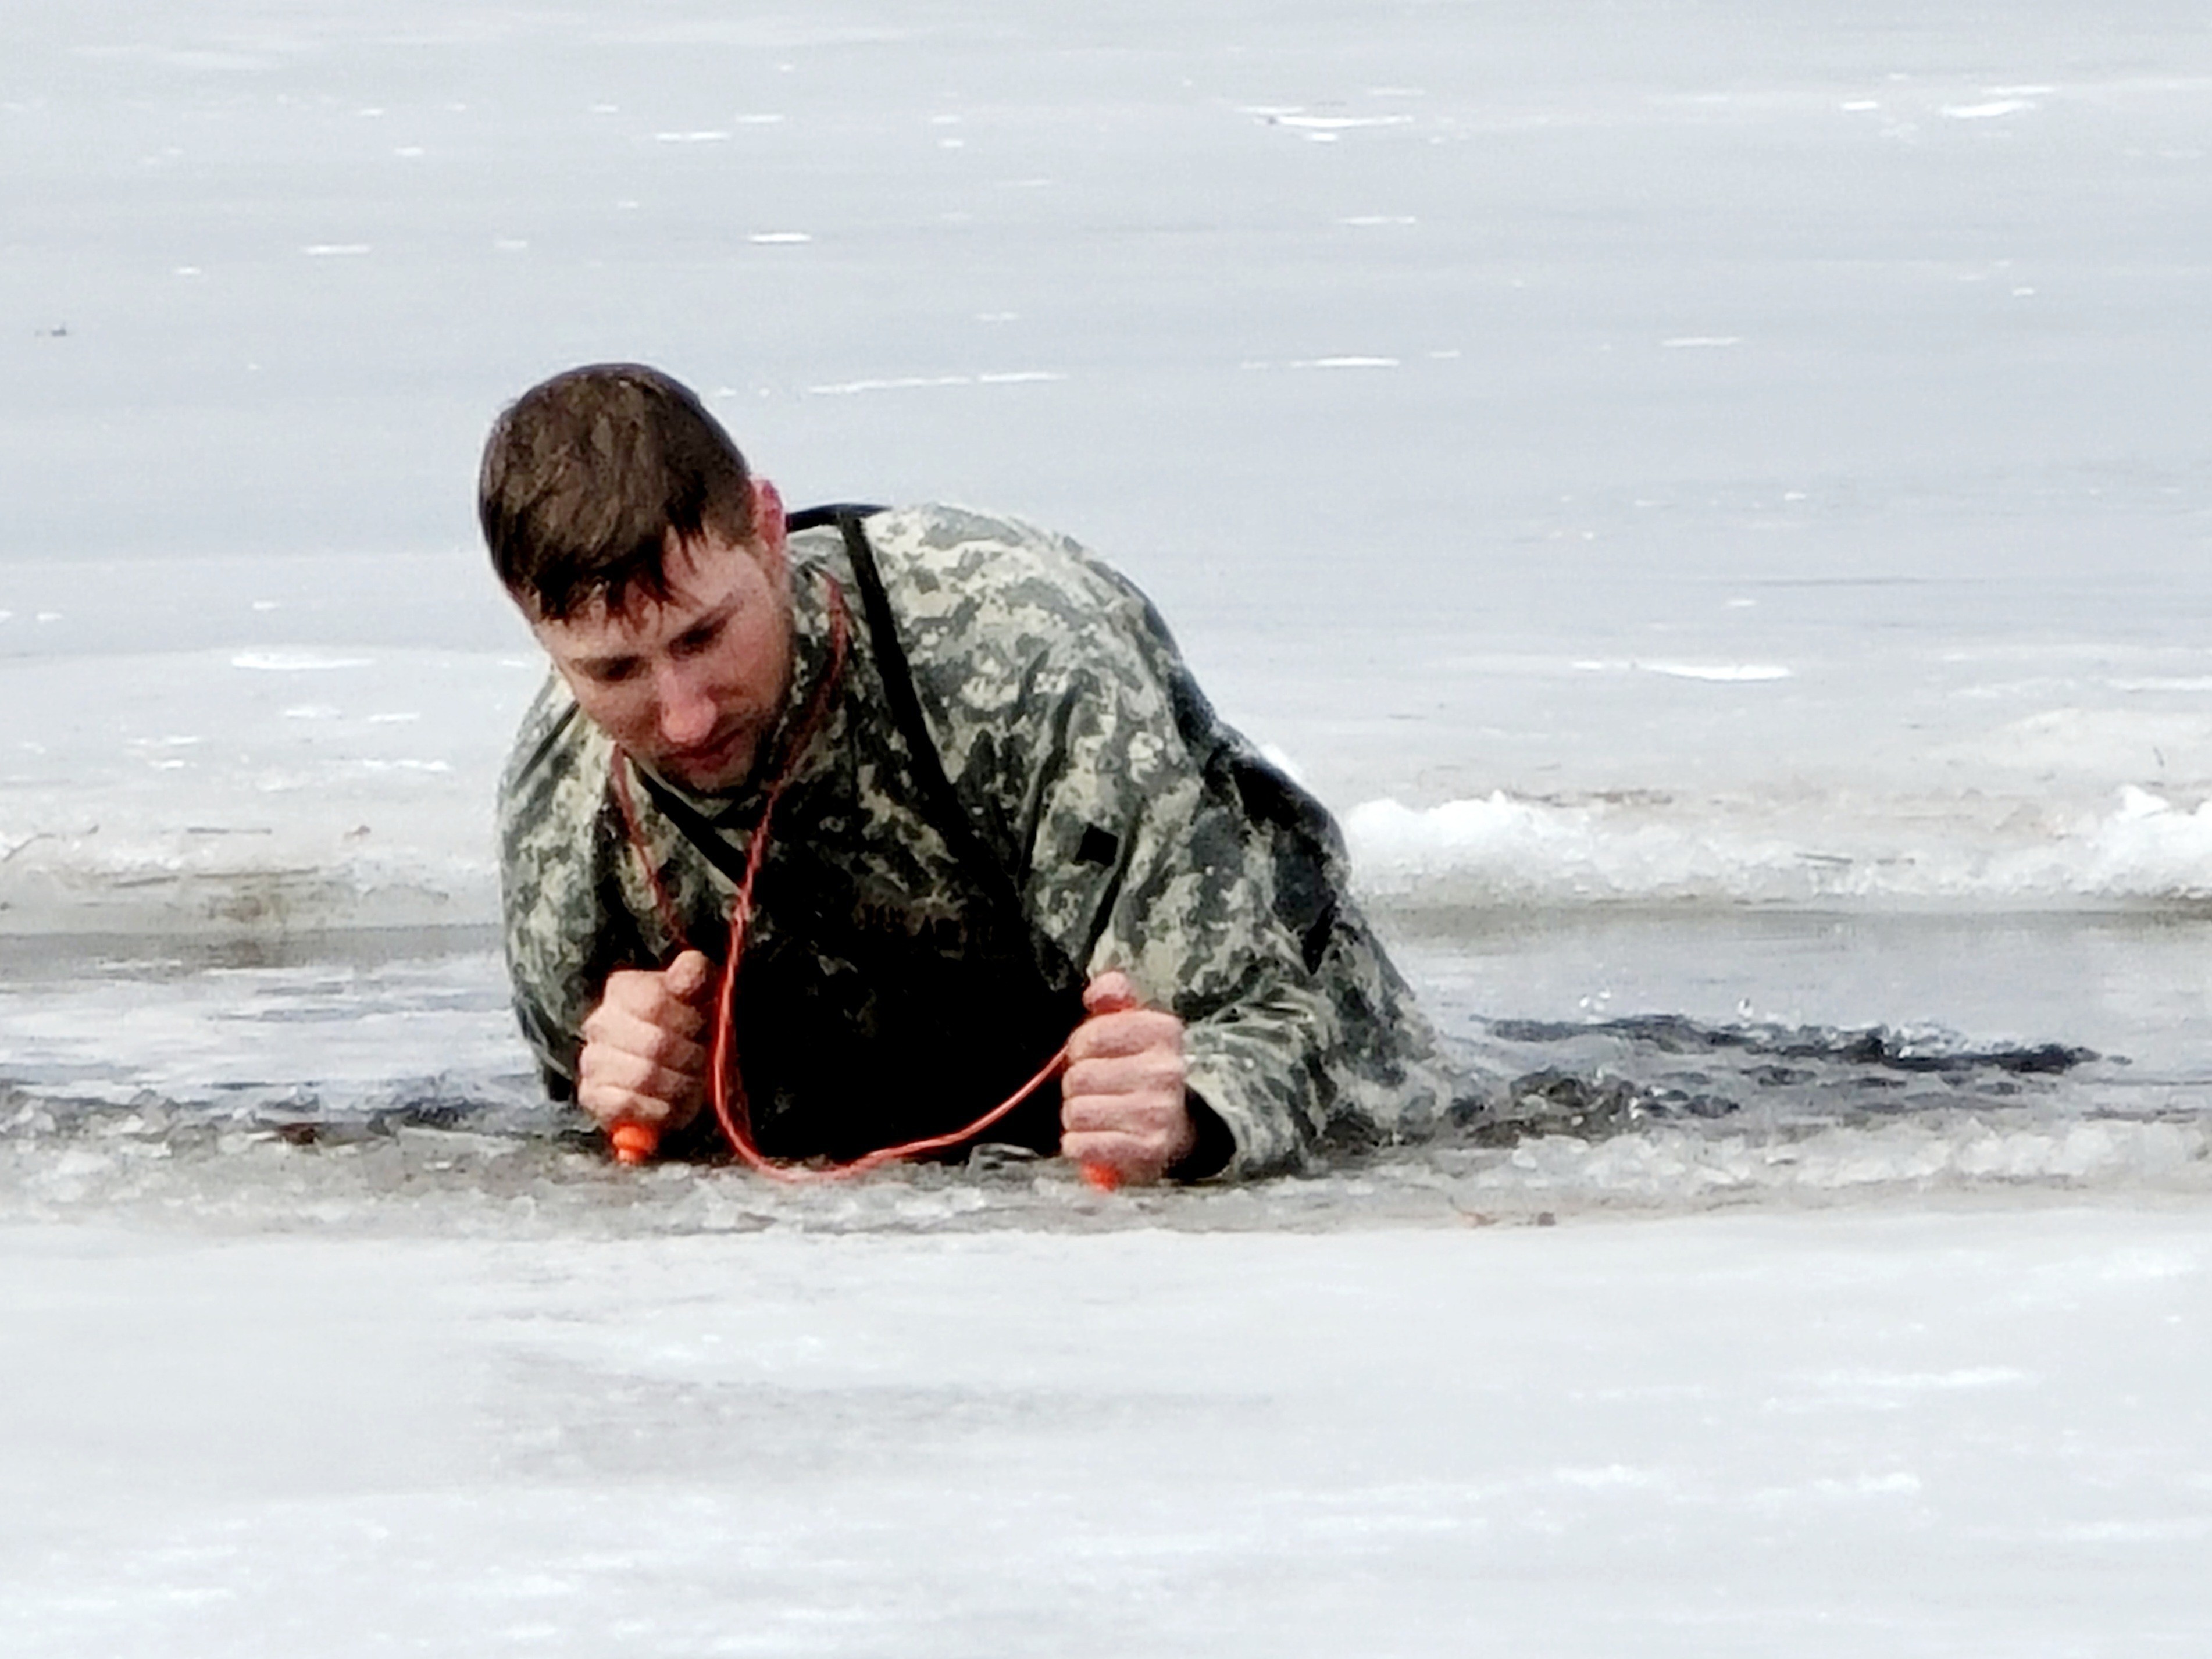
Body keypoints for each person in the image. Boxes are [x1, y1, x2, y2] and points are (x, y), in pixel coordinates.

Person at [482, 363, 1451, 1183]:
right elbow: (596, 1138)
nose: (684, 714)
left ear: (768, 531)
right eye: (614, 672)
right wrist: (651, 1097)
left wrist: (1195, 1108)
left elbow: (1273, 1017)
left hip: (1364, 1134)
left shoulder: (1020, 651)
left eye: (706, 634)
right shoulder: (559, 814)